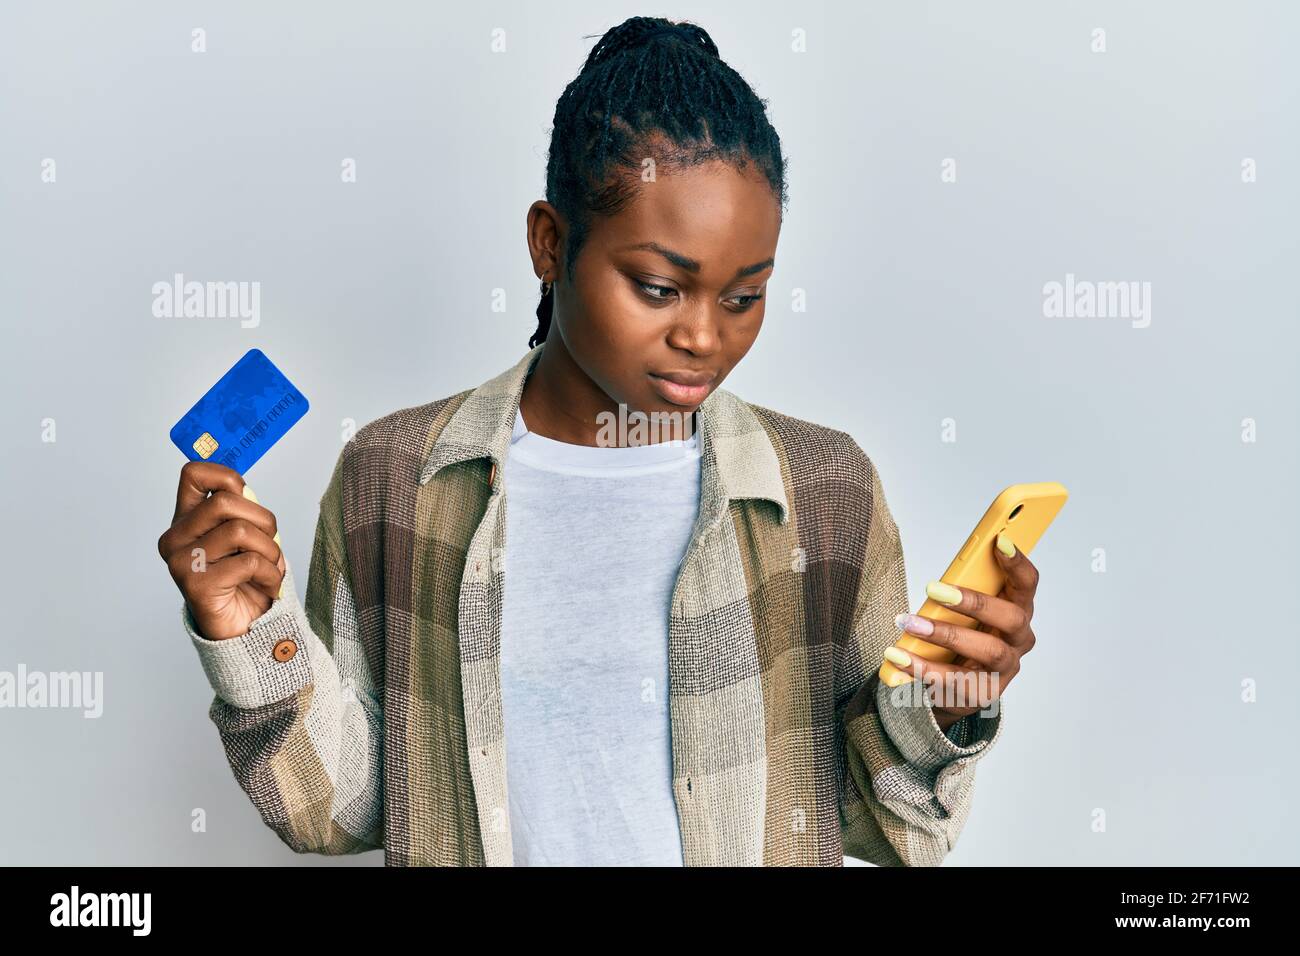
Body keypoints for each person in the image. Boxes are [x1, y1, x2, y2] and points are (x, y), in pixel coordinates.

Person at [157, 15, 1041, 866]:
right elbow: (341, 811)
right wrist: (245, 633)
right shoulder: (396, 478)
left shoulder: (823, 489)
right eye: (660, 287)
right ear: (550, 242)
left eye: (744, 296)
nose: (705, 335)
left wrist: (949, 702)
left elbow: (880, 825)